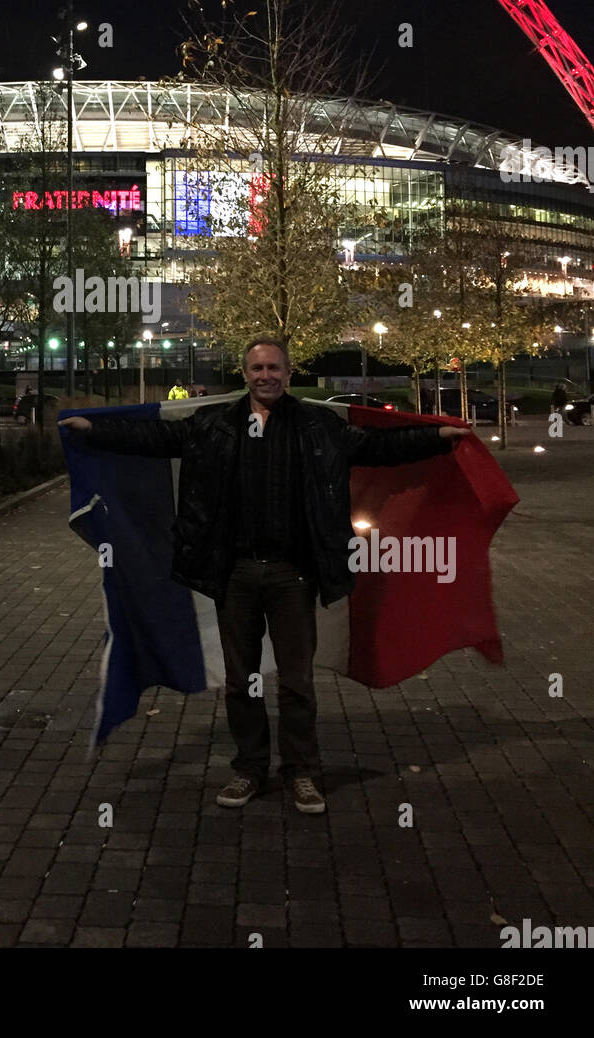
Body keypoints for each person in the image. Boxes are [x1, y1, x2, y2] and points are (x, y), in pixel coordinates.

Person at [60, 335, 471, 815]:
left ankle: (303, 774)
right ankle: (248, 769)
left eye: (274, 368)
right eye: (257, 369)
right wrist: (95, 430)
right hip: (233, 575)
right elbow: (156, 439)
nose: (265, 376)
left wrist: (438, 436)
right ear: (245, 374)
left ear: (288, 373)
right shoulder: (213, 424)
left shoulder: (317, 425)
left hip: (293, 575)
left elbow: (378, 447)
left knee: (296, 682)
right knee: (241, 680)